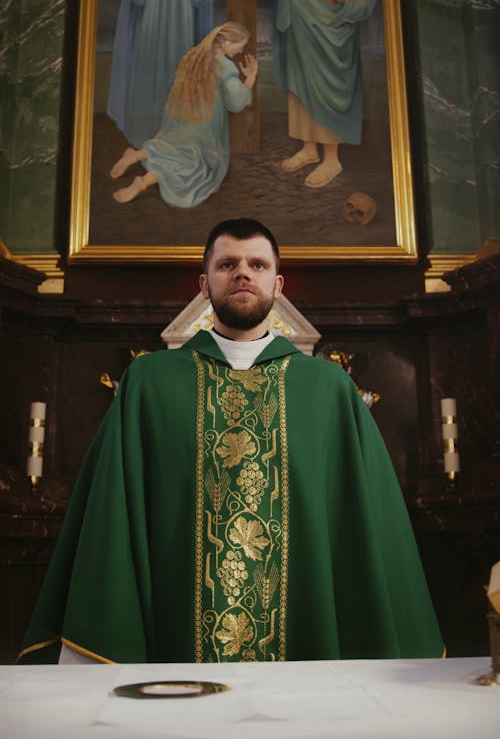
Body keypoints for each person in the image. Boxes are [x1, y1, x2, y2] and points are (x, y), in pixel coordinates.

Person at [18, 218, 443, 665]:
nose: (242, 273)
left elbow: (368, 522)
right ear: (205, 284)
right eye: (227, 264)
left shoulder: (328, 389)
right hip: (175, 647)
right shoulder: (150, 383)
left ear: (277, 284)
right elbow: (112, 516)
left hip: (305, 658)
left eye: (257, 264)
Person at [263, 0, 376, 187]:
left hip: (331, 45)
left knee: (327, 97)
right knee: (301, 94)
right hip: (300, 41)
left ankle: (331, 159)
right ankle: (309, 149)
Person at [109, 22, 257, 207]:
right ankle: (143, 182)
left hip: (180, 122)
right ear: (226, 42)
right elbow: (235, 103)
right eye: (240, 45)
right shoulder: (226, 68)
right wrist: (250, 78)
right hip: (204, 129)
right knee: (198, 165)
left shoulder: (193, 56)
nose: (241, 50)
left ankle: (138, 155)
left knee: (174, 149)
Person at [107, 0, 218, 148]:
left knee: (180, 89)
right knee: (151, 89)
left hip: (183, 38)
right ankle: (149, 145)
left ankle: (176, 146)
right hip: (150, 38)